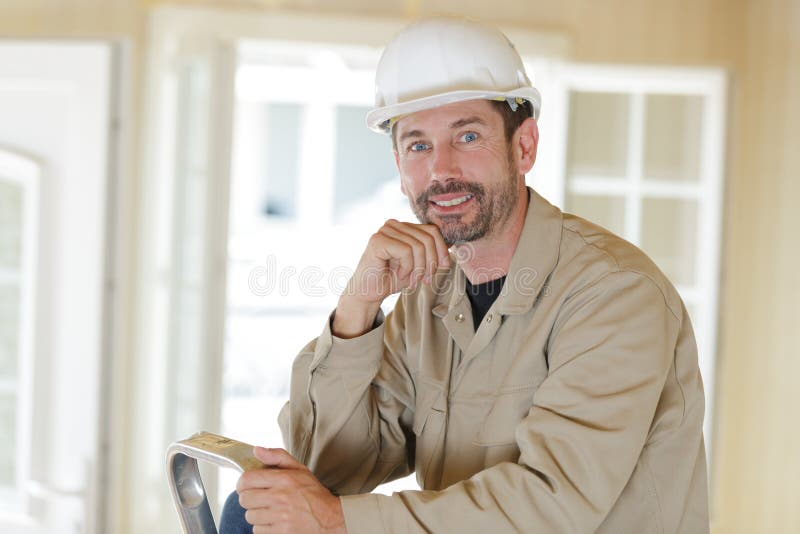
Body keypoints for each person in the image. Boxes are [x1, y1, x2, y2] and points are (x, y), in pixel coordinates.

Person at [222, 16, 709, 534]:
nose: (441, 170)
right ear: (399, 165)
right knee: (249, 512)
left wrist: (336, 520)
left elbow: (552, 504)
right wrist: (356, 308)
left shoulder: (616, 293)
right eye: (418, 145)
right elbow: (331, 467)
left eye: (468, 135)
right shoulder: (429, 293)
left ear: (524, 147)